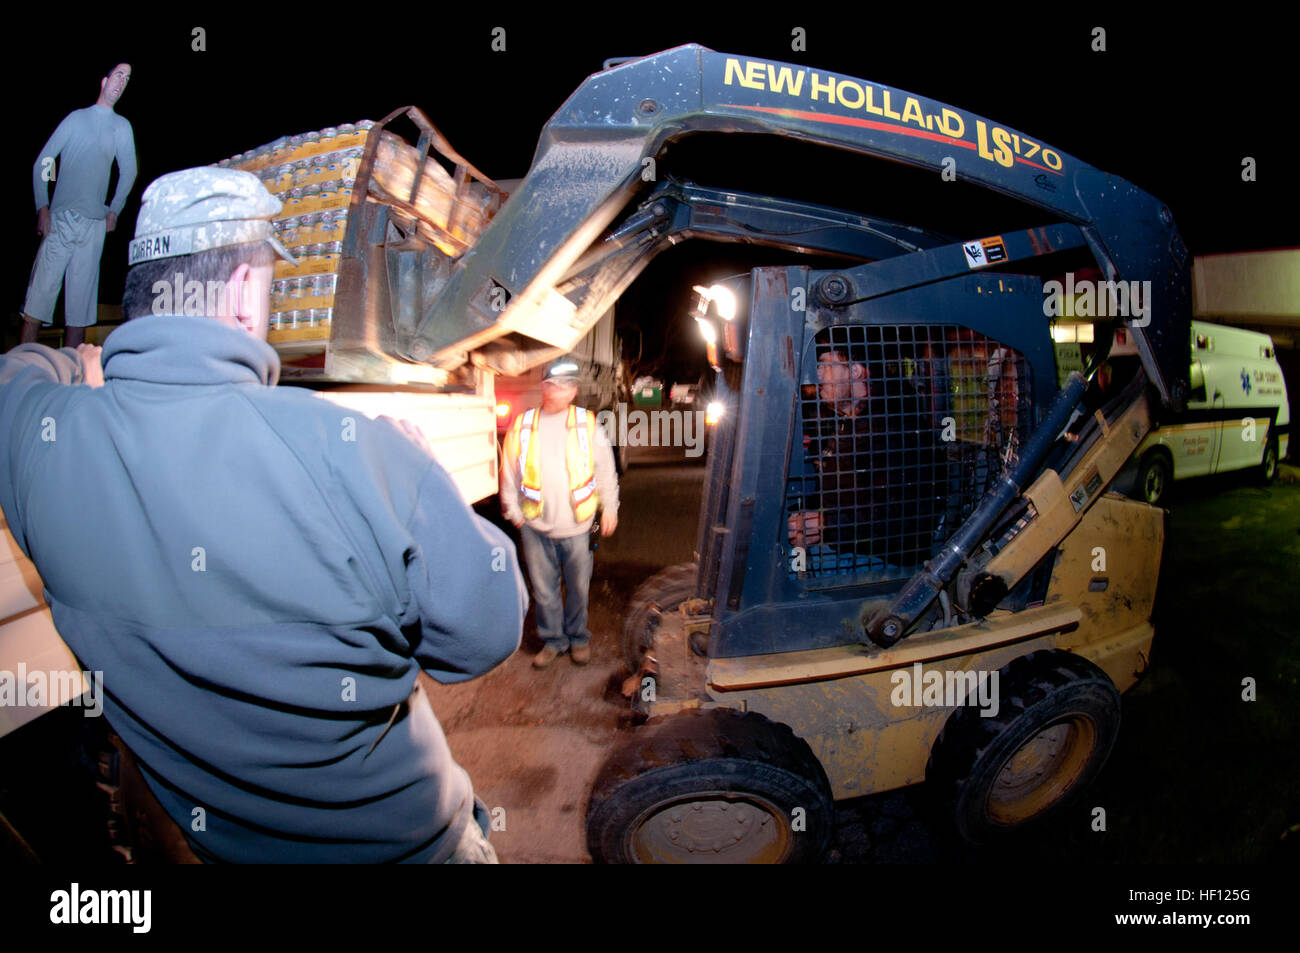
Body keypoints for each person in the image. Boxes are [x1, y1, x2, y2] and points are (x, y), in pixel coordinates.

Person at [0, 167, 526, 863]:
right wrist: (433, 482)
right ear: (248, 292)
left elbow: (14, 375)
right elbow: (487, 630)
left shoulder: (44, 447)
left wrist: (77, 367)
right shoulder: (355, 454)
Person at [501, 360, 619, 669]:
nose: (560, 389)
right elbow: (509, 469)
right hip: (535, 525)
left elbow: (605, 469)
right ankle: (553, 640)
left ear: (574, 391)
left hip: (577, 526)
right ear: (544, 387)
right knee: (544, 590)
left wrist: (610, 508)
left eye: (567, 385)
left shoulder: (587, 423)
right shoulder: (524, 424)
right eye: (554, 384)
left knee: (578, 587)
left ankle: (578, 638)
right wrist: (514, 512)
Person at [788, 345, 945, 569]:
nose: (817, 373)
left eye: (824, 364)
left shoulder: (895, 426)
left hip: (883, 560)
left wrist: (826, 525)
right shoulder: (848, 422)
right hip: (847, 546)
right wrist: (807, 519)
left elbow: (899, 513)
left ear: (855, 372)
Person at [20, 63, 137, 348]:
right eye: (118, 75)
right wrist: (43, 207)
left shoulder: (121, 127)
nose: (122, 81)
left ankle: (71, 384)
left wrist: (114, 210)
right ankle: (19, 377)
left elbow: (129, 171)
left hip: (93, 227)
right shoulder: (76, 119)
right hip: (59, 221)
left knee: (79, 313)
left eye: (128, 78)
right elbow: (43, 163)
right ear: (104, 80)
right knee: (36, 305)